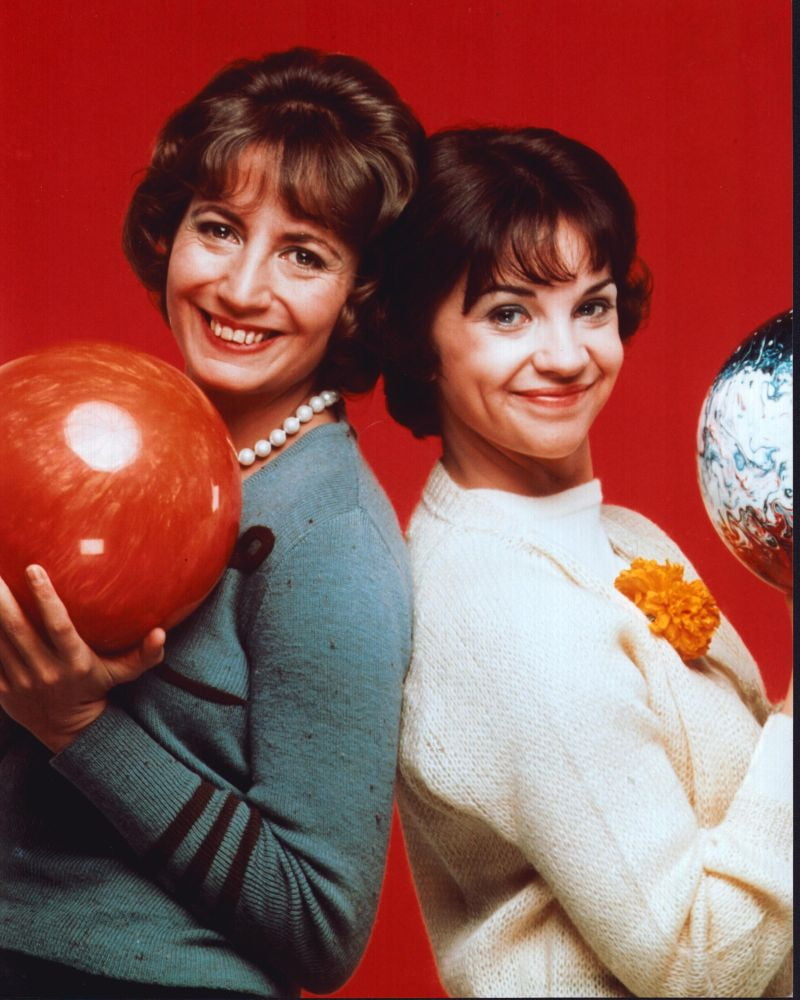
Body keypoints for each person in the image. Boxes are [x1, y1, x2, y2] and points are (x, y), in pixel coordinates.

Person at [0, 48, 423, 999]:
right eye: (219, 229)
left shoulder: (333, 540)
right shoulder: (99, 446)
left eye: (303, 254)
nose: (240, 287)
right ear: (170, 235)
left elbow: (323, 927)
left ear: (359, 296)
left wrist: (82, 728)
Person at [380, 127, 793, 998]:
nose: (568, 356)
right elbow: (697, 961)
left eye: (592, 305)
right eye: (507, 313)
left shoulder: (625, 534)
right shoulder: (501, 610)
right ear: (420, 337)